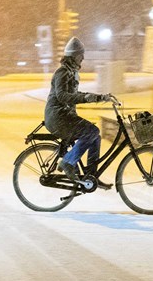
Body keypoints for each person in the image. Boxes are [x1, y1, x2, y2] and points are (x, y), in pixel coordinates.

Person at [44, 36, 114, 187]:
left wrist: (98, 97)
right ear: (75, 56)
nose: (83, 58)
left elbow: (75, 94)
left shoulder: (71, 73)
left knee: (95, 136)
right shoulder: (62, 72)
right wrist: (87, 98)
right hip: (58, 118)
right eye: (81, 55)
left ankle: (91, 176)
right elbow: (62, 96)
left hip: (65, 117)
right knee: (91, 131)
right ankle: (68, 162)